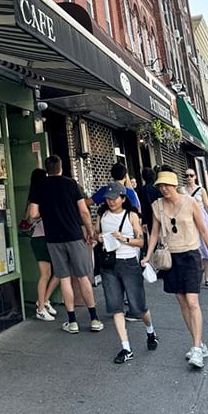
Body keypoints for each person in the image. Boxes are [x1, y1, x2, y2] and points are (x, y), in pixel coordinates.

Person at [142, 169, 208, 369]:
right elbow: (154, 233)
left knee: (193, 301)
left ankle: (195, 348)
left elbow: (203, 229)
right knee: (182, 302)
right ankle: (198, 343)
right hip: (170, 257)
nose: (164, 189)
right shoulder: (157, 206)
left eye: (167, 185)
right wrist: (148, 256)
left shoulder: (189, 202)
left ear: (175, 185)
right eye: (160, 186)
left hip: (191, 255)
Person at [28, 154, 104, 333]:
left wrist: (46, 214)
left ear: (47, 169)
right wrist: (90, 231)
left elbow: (32, 214)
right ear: (61, 167)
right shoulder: (71, 184)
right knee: (83, 276)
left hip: (53, 239)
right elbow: (84, 212)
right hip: (74, 235)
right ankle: (94, 319)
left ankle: (72, 322)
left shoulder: (40, 186)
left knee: (64, 278)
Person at [95, 182, 158, 363]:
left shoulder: (131, 216)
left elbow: (140, 242)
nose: (111, 202)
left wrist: (124, 239)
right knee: (116, 307)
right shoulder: (102, 215)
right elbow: (94, 233)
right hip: (109, 266)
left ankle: (150, 331)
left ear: (123, 198)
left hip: (129, 263)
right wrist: (98, 237)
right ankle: (126, 348)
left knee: (139, 307)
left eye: (114, 198)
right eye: (108, 198)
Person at [26, 167, 60, 322]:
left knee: (58, 272)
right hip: (40, 238)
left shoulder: (39, 193)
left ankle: (44, 301)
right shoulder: (36, 196)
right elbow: (29, 218)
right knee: (46, 274)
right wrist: (44, 212)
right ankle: (40, 307)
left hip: (47, 237)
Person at [183, 168, 208, 287]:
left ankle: (207, 277)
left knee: (207, 248)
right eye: (186, 175)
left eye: (191, 175)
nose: (189, 178)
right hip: (189, 219)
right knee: (194, 249)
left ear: (195, 176)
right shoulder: (182, 190)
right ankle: (197, 274)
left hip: (202, 217)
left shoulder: (201, 190)